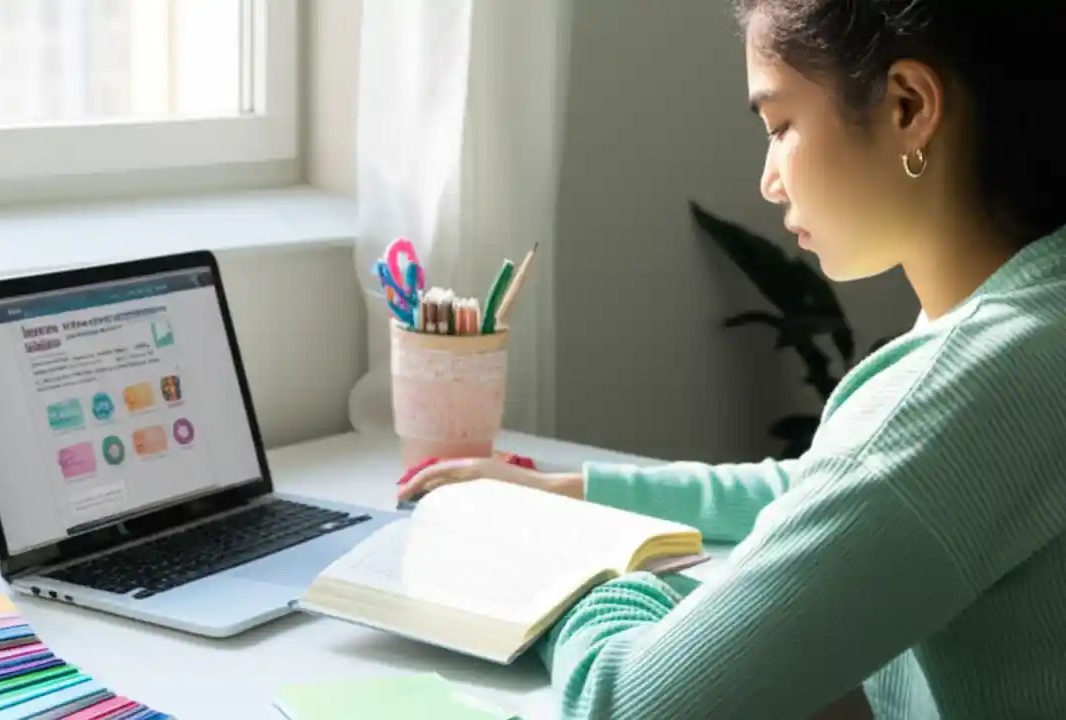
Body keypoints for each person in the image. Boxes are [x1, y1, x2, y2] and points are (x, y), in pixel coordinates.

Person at [398, 1, 1066, 718]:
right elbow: (830, 487)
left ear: (908, 106)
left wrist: (572, 576)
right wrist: (577, 493)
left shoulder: (974, 382)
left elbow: (628, 704)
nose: (769, 181)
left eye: (780, 127)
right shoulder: (1030, 320)